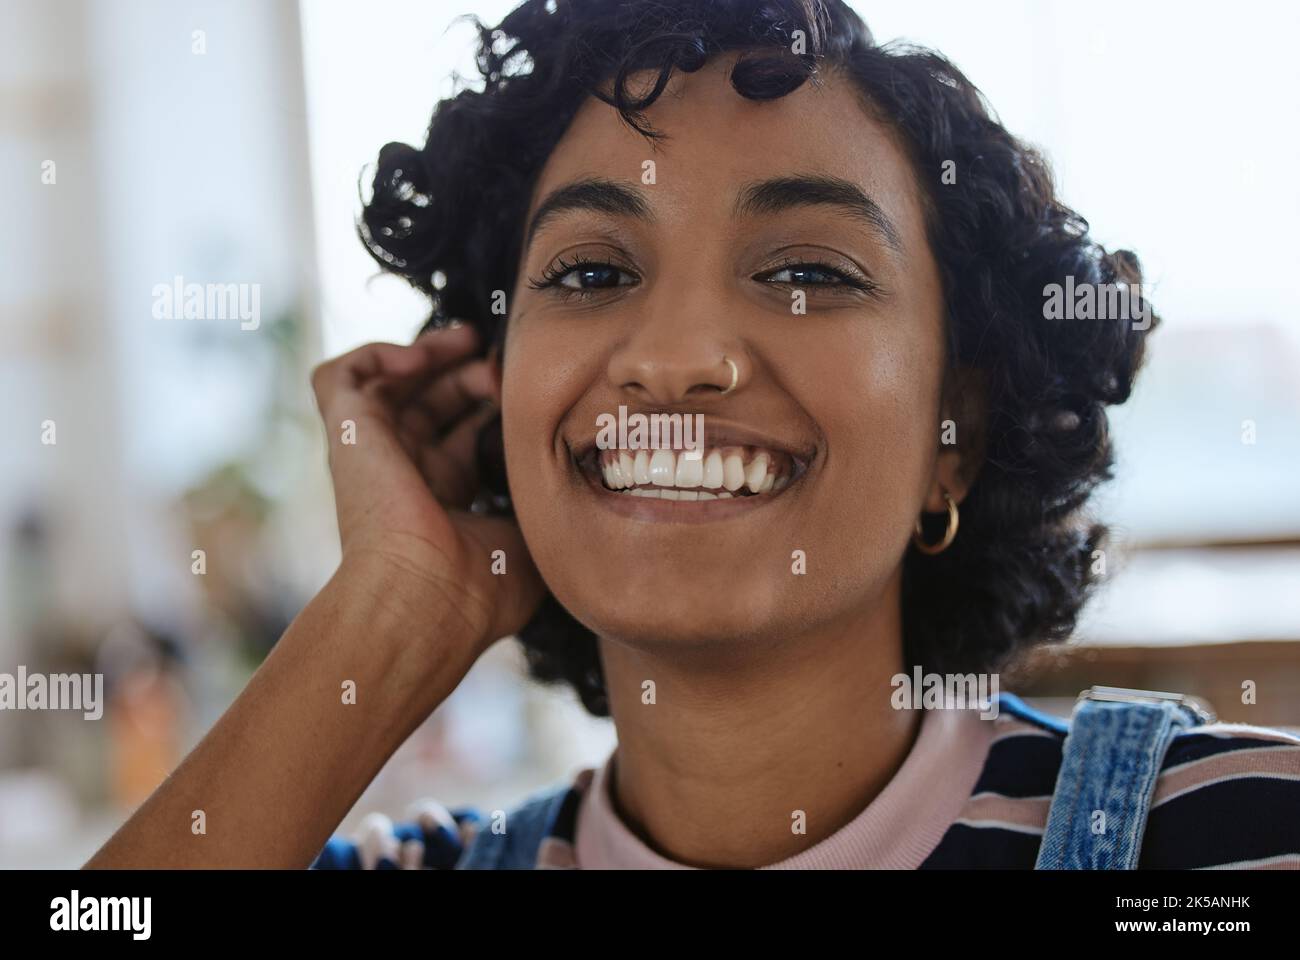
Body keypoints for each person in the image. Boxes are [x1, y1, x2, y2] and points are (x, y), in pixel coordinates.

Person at [88, 0, 1300, 870]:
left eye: (808, 271)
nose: (673, 357)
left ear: (956, 431)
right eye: (592, 269)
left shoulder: (1224, 835)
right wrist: (394, 605)